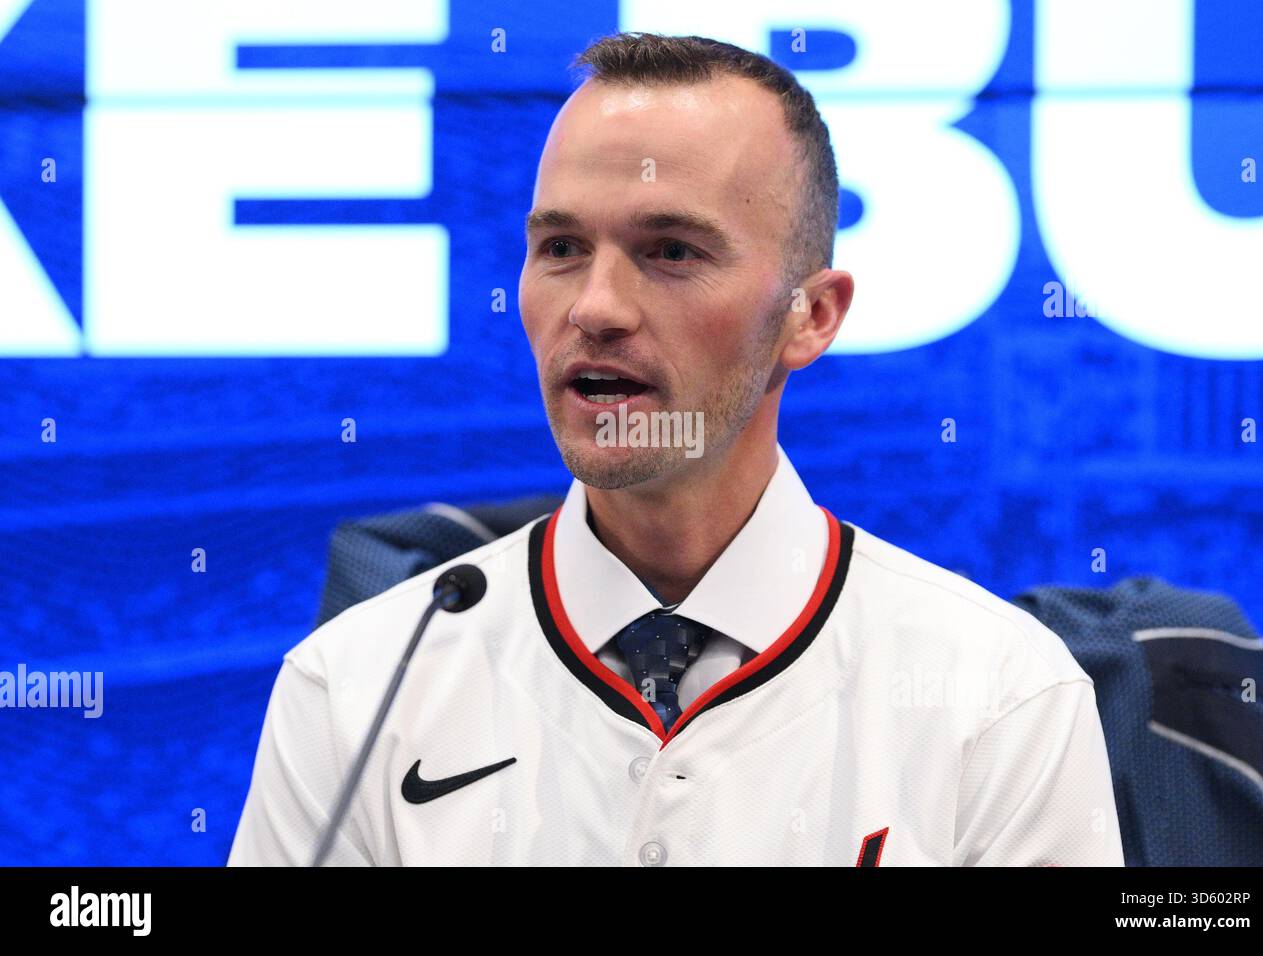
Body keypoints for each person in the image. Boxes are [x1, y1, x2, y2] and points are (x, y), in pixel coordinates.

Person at [228, 32, 1124, 866]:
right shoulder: (355, 687)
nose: (595, 307)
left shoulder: (1001, 695)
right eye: (562, 247)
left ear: (812, 315)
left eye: (670, 251)